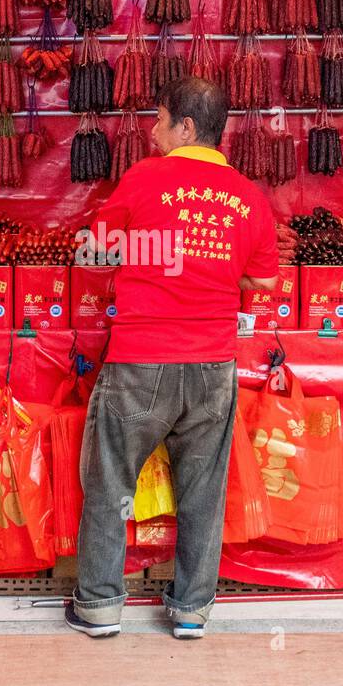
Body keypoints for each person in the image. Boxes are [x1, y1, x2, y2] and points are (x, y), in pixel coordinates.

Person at [68, 76, 279, 640]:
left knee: (111, 481)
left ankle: (99, 606)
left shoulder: (145, 178)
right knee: (203, 492)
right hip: (212, 366)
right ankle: (190, 610)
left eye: (159, 119)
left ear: (186, 126)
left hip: (140, 358)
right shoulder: (249, 197)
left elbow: (98, 249)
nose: (151, 129)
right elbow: (260, 277)